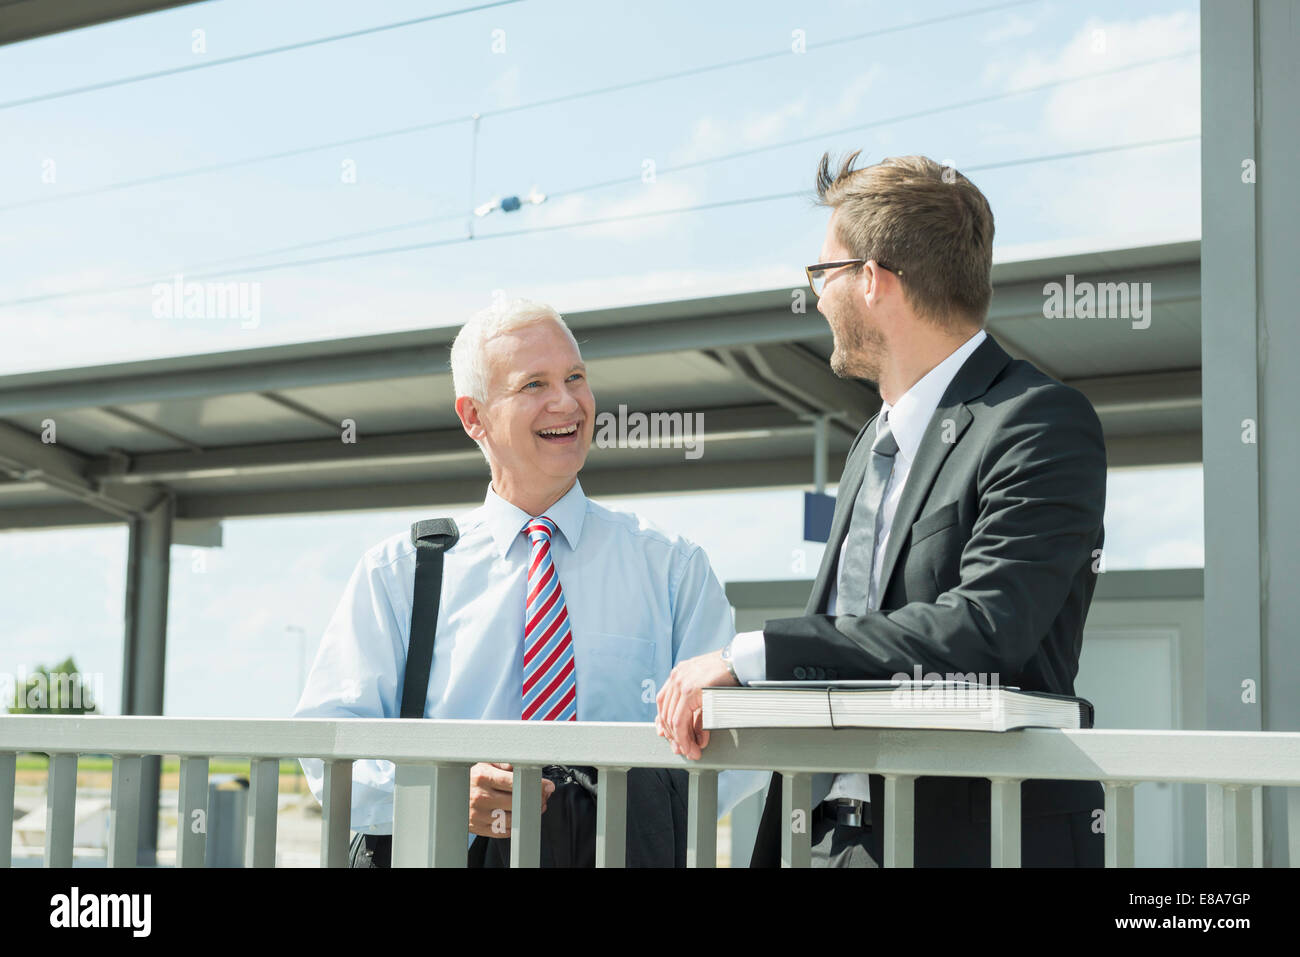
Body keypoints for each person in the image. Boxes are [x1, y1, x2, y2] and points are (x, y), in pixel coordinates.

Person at [655, 152, 1107, 867]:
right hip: (830, 839)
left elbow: (986, 626)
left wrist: (757, 654)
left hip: (973, 843)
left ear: (872, 281)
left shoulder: (1039, 422)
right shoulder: (874, 440)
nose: (817, 296)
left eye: (822, 274)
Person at [294, 297, 759, 866]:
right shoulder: (401, 574)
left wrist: (627, 823)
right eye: (533, 384)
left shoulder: (672, 567)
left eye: (575, 377)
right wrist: (441, 793)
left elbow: (736, 746)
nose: (566, 401)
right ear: (473, 417)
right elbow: (328, 746)